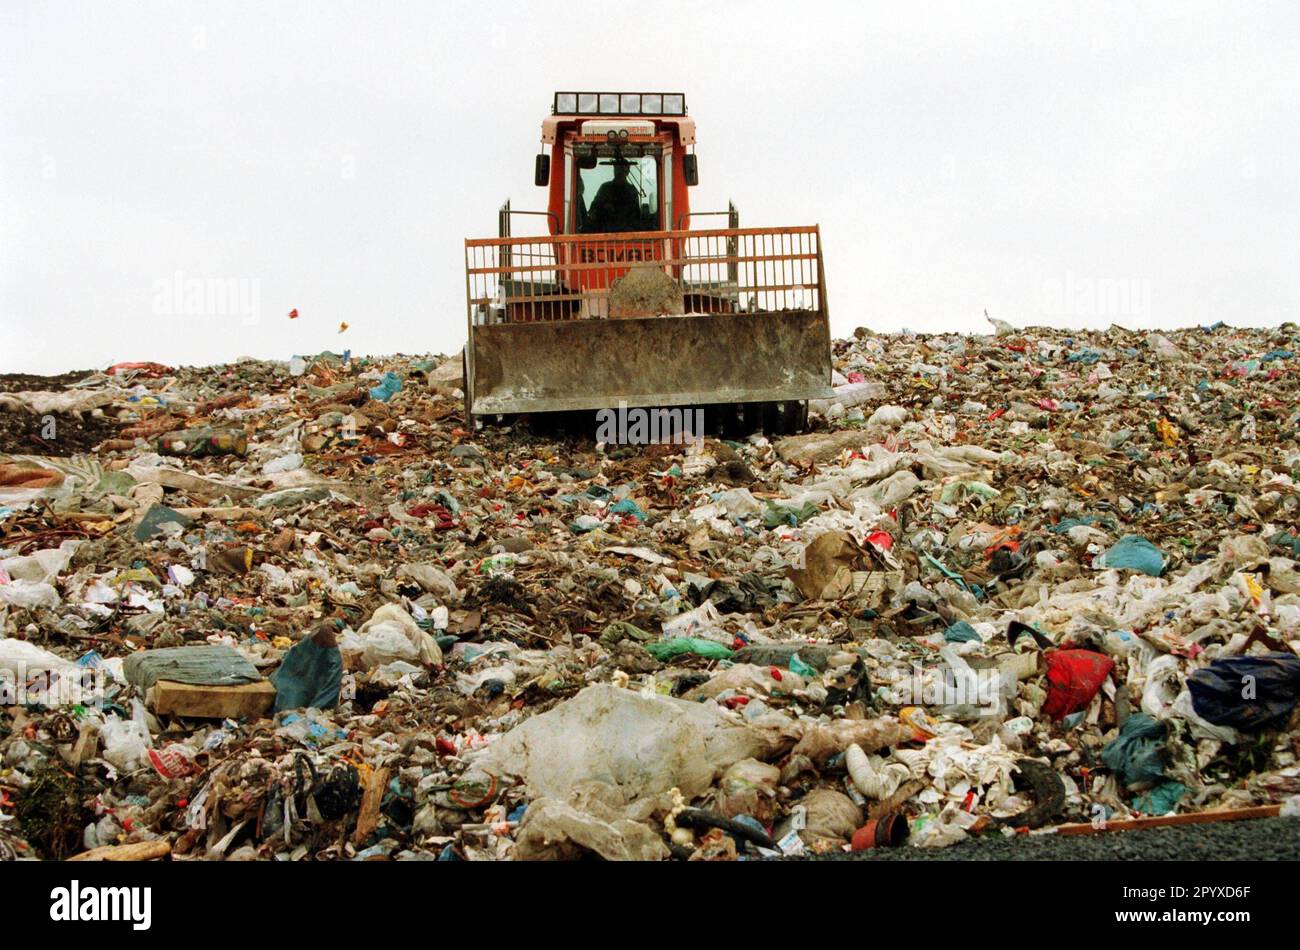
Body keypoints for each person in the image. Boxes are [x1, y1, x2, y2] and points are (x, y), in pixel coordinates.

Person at [587, 159, 643, 232]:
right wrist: (604, 208)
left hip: (627, 233)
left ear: (628, 171)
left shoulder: (632, 191)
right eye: (617, 168)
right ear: (614, 170)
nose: (619, 171)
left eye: (622, 168)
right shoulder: (605, 188)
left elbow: (636, 215)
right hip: (605, 232)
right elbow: (593, 211)